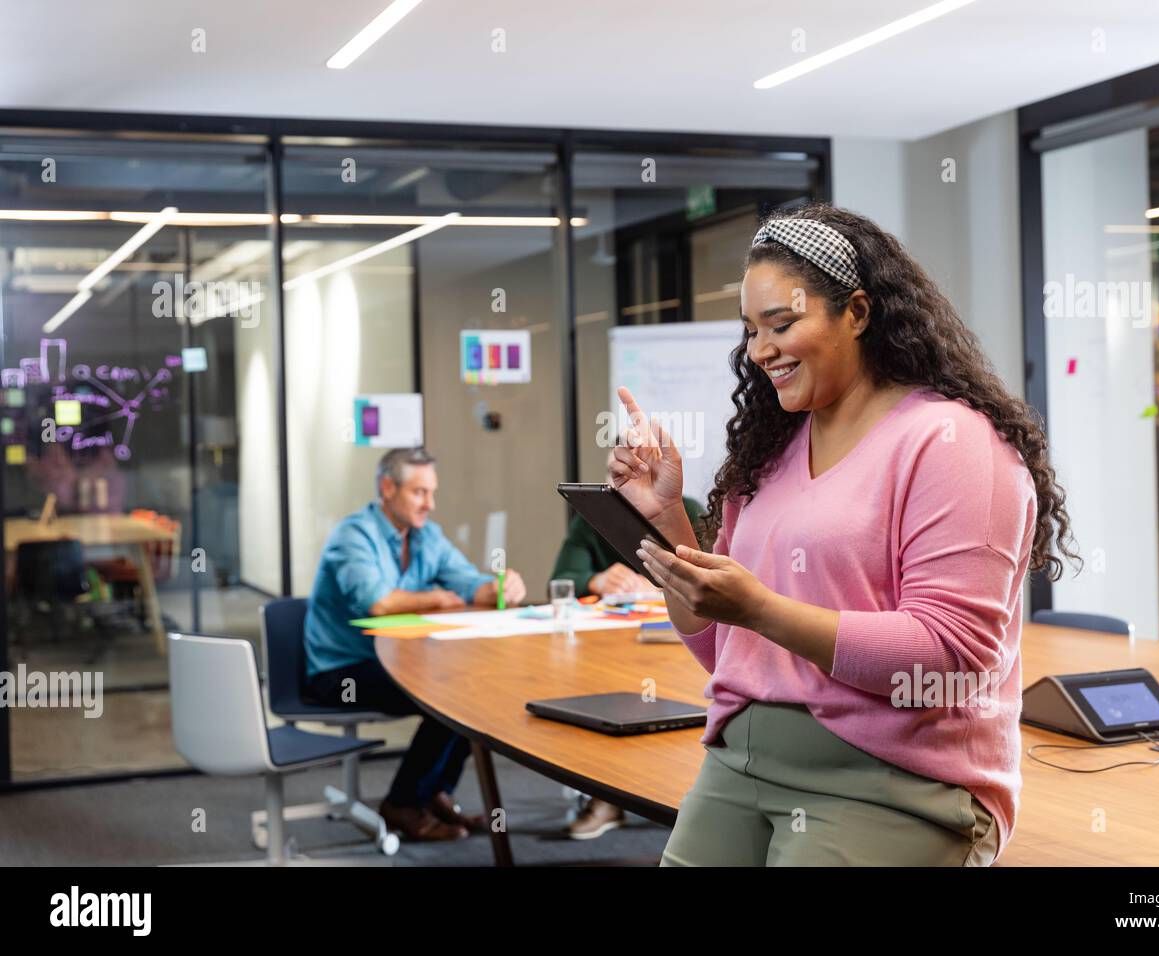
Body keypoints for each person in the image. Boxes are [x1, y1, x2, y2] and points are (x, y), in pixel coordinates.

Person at [611, 204, 1077, 866]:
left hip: (894, 784)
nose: (760, 349)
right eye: (750, 331)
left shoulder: (951, 443)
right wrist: (665, 522)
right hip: (738, 767)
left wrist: (762, 609)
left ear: (856, 313)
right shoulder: (767, 453)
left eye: (782, 323)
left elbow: (950, 658)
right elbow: (729, 651)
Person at [303, 446, 527, 842]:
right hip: (340, 671)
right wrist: (436, 598)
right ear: (388, 487)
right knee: (447, 693)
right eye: (420, 493)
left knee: (474, 686)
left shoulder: (426, 535)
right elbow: (378, 602)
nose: (430, 504)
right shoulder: (352, 536)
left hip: (397, 661)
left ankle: (433, 794)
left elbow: (466, 582)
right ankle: (403, 804)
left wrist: (499, 587)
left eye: (432, 493)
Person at [548, 466, 704, 839]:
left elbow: (713, 580)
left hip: (677, 646)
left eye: (631, 473)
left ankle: (676, 795)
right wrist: (596, 580)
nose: (623, 484)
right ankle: (607, 796)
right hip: (611, 645)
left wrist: (664, 588)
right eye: (615, 474)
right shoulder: (595, 518)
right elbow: (561, 578)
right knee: (598, 684)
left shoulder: (689, 511)